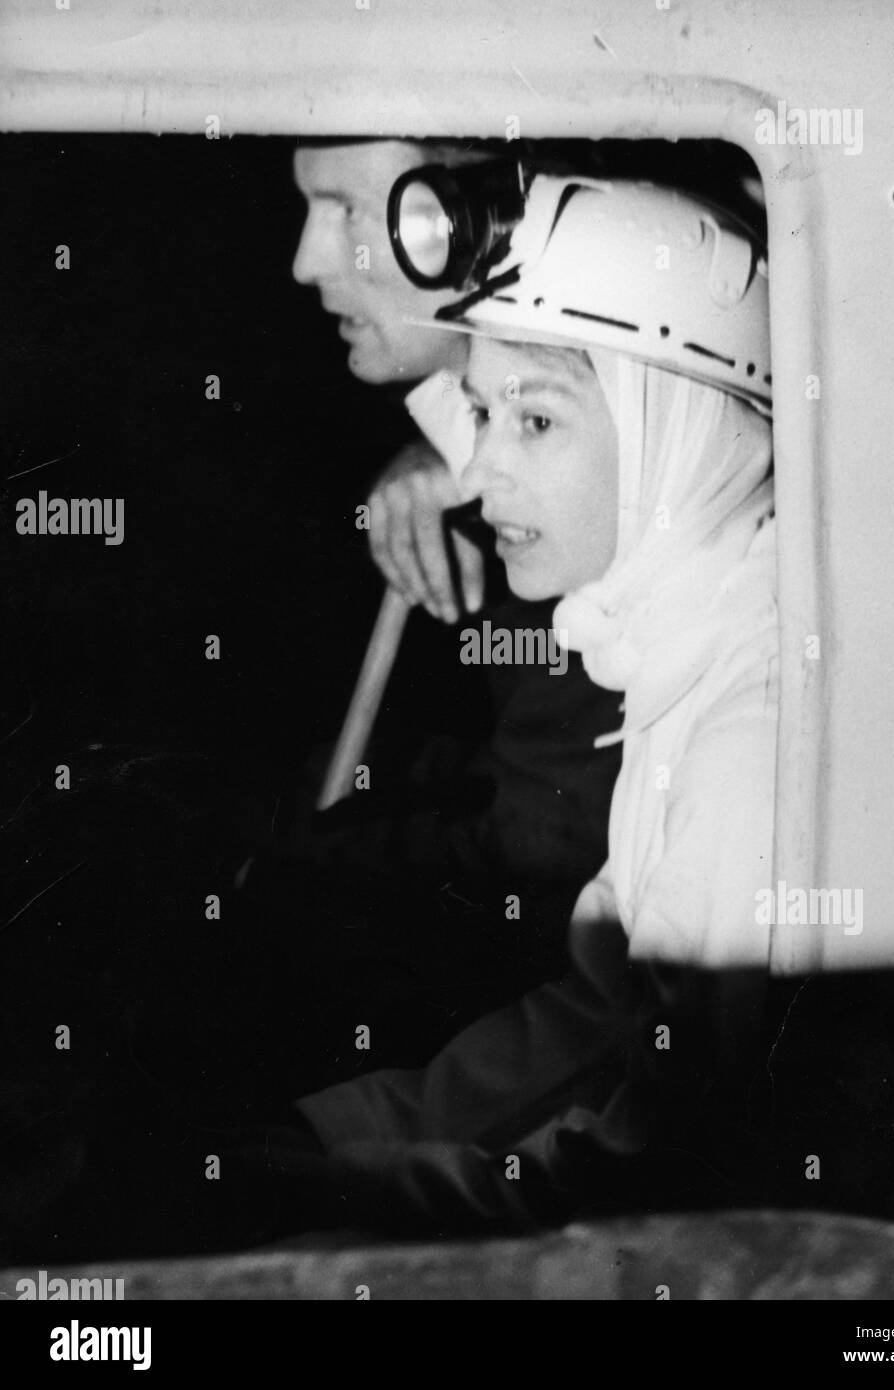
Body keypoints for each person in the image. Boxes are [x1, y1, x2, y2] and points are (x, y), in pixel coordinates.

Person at [216, 171, 782, 1239]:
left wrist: (339, 1187)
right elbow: (605, 1014)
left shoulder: (742, 734)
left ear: (679, 435)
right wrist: (342, 1132)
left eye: (535, 420)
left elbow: (654, 1171)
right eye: (480, 413)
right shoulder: (677, 645)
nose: (477, 475)